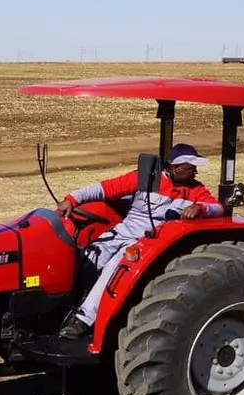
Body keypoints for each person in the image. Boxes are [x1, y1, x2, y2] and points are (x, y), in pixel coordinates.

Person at [56, 143, 224, 340]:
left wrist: (200, 209)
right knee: (89, 258)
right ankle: (63, 308)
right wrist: (71, 199)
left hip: (148, 243)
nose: (195, 170)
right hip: (122, 232)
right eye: (191, 166)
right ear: (175, 167)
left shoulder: (196, 190)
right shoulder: (143, 178)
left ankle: (84, 320)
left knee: (115, 266)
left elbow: (218, 208)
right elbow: (104, 189)